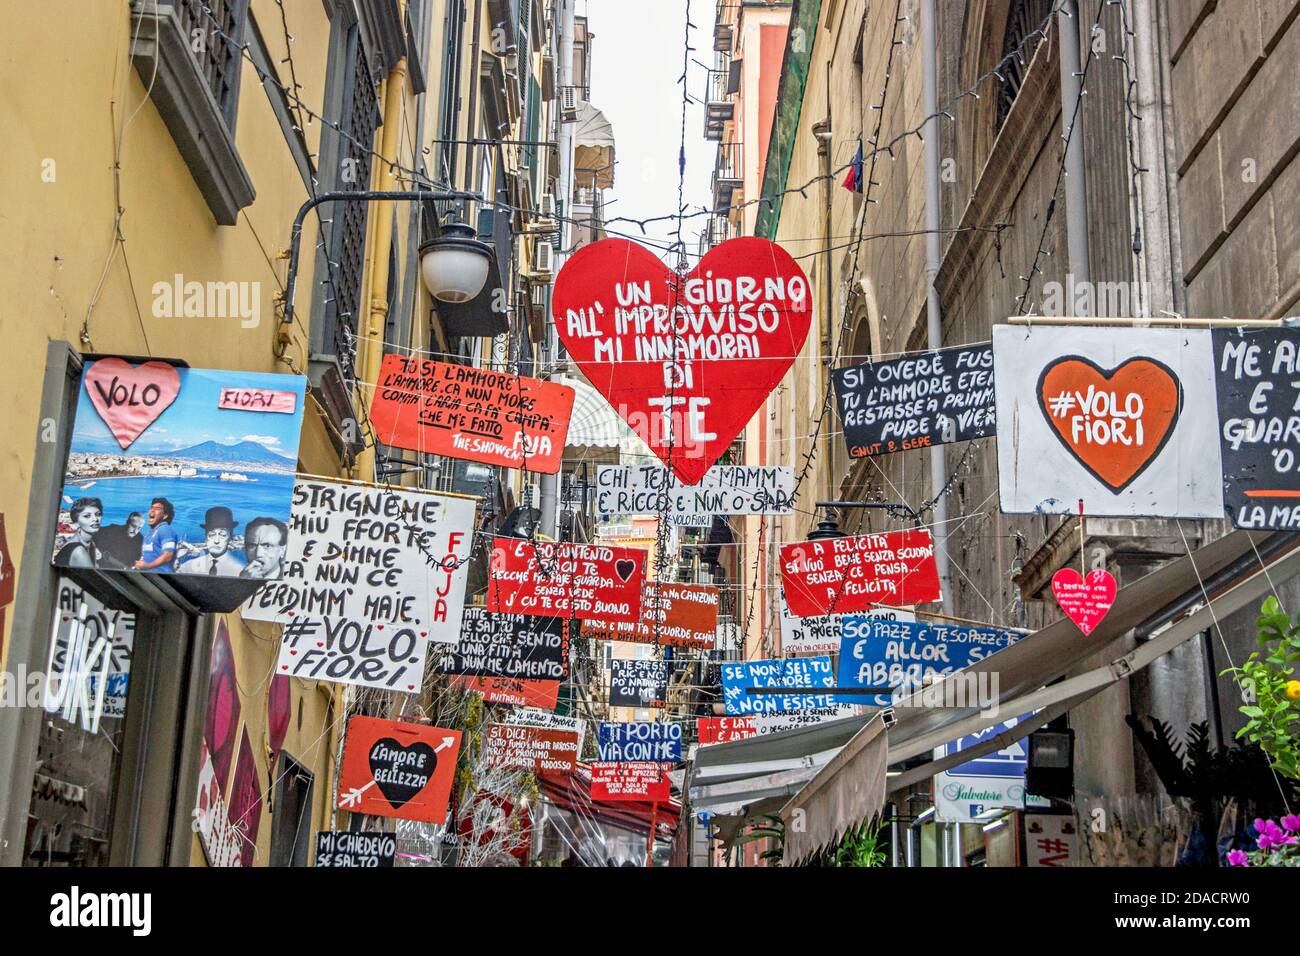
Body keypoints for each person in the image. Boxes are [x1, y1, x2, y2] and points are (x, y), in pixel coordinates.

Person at [178, 507, 246, 576]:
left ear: (230, 537)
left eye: (222, 535)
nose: (216, 541)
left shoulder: (241, 571)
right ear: (206, 536)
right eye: (212, 534)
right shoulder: (187, 567)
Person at [55, 498, 103, 568]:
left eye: (98, 514)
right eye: (87, 516)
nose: (95, 519)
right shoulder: (79, 551)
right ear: (76, 523)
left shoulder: (90, 543)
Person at [135, 497, 178, 573]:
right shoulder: (148, 534)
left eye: (157, 508)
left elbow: (168, 555)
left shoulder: (165, 529)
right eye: (151, 507)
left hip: (164, 577)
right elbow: (146, 556)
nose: (152, 510)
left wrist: (147, 566)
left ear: (165, 516)